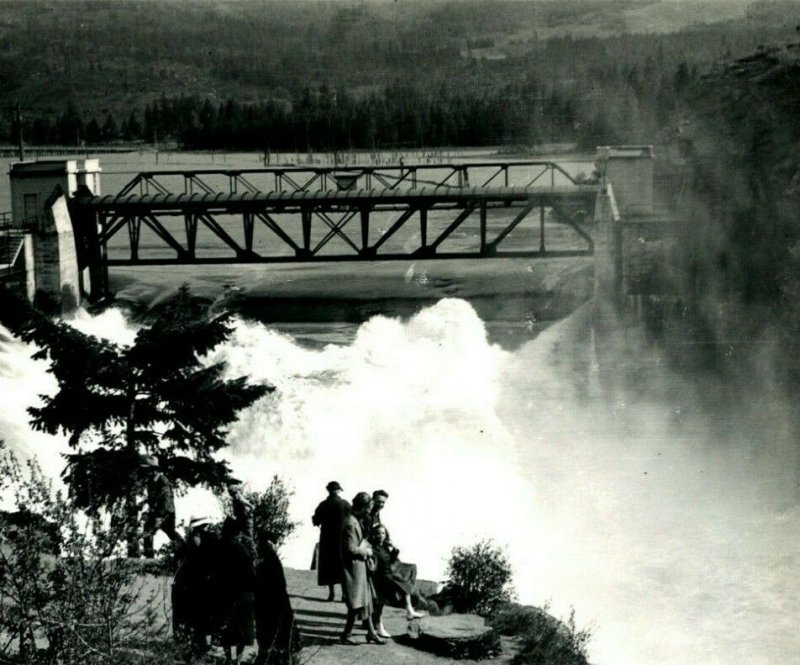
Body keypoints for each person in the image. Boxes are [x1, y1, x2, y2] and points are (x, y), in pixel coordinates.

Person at [339, 492, 385, 645]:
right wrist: (366, 551)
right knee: (355, 603)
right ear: (362, 507)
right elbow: (350, 549)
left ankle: (371, 633)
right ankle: (346, 634)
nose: (368, 511)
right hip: (353, 569)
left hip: (358, 568)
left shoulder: (354, 520)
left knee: (366, 601)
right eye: (367, 508)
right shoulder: (350, 523)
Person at [172, 516, 219, 658]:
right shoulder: (201, 540)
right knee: (198, 618)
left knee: (193, 619)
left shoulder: (191, 541)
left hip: (190, 585)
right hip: (196, 586)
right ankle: (198, 647)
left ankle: (193, 647)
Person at [369, 523, 425, 637]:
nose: (380, 535)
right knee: (379, 604)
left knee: (403, 587)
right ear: (374, 535)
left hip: (388, 576)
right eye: (378, 533)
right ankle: (379, 627)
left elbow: (390, 561)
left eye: (383, 533)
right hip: (379, 579)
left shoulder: (384, 547)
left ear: (386, 535)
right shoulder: (372, 548)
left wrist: (393, 550)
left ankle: (408, 610)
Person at [253, 531, 300, 665]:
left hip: (267, 607)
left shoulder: (262, 562)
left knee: (268, 640)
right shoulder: (272, 561)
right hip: (277, 606)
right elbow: (281, 584)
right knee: (280, 640)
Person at [218, 516, 256, 665]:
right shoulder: (241, 549)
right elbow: (250, 575)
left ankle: (228, 657)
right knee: (242, 630)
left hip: (224, 594)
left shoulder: (219, 547)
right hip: (242, 595)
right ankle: (237, 659)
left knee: (226, 630)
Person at [311, 481, 350, 602]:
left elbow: (315, 521)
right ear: (338, 491)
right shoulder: (345, 504)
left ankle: (331, 594)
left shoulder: (323, 504)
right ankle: (344, 594)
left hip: (327, 539)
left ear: (328, 491)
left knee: (328, 566)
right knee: (342, 565)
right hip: (342, 539)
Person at [141, 454, 183, 558]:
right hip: (156, 512)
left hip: (167, 513)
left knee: (170, 532)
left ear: (154, 470)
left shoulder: (163, 480)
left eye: (148, 470)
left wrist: (159, 516)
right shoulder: (151, 482)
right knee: (147, 529)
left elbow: (166, 500)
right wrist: (147, 512)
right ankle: (149, 558)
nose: (146, 472)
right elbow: (152, 500)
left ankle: (183, 551)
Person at [228, 478, 256, 560]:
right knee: (242, 536)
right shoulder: (236, 496)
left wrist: (250, 508)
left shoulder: (238, 495)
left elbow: (242, 500)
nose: (234, 495)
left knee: (247, 536)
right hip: (242, 518)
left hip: (245, 519)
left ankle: (252, 554)